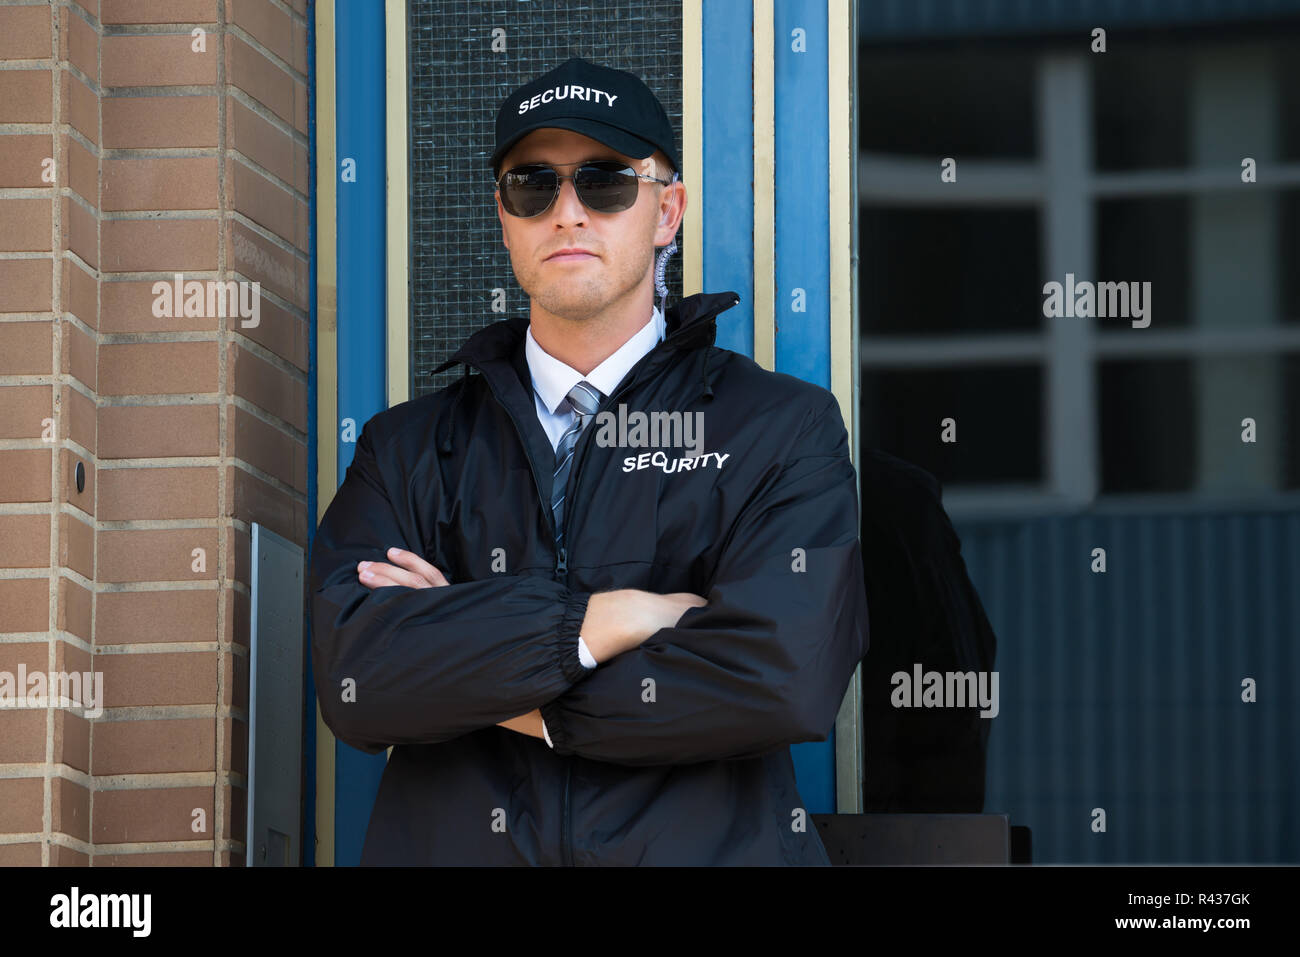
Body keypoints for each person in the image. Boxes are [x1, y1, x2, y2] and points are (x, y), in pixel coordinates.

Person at [309, 56, 869, 865]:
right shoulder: (407, 449)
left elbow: (782, 676)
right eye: (533, 185)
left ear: (666, 210)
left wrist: (488, 673)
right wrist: (606, 621)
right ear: (504, 218)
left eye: (605, 180)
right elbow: (358, 681)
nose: (567, 212)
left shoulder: (778, 428)